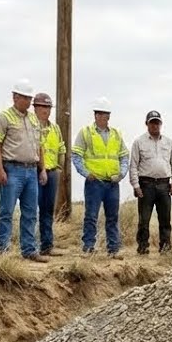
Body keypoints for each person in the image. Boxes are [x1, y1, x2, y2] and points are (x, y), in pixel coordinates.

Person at [0, 79, 44, 261]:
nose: (28, 102)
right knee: (7, 211)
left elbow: (39, 145)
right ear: (15, 97)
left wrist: (41, 169)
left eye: (30, 98)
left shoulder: (33, 119)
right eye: (25, 98)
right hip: (12, 169)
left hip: (31, 170)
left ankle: (29, 250)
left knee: (30, 212)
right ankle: (3, 250)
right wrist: (0, 169)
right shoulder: (3, 118)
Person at [72, 97, 128, 257]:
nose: (103, 117)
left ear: (109, 116)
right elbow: (76, 155)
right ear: (95, 115)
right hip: (94, 182)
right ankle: (88, 247)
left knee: (113, 217)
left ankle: (113, 249)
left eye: (105, 114)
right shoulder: (86, 133)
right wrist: (85, 173)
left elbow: (124, 156)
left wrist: (122, 174)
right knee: (91, 216)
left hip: (112, 183)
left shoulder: (116, 134)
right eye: (100, 113)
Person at [130, 110, 172, 254]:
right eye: (152, 122)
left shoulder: (169, 143)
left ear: (161, 124)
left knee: (165, 220)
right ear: (146, 124)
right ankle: (142, 247)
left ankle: (165, 247)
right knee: (144, 220)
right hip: (146, 185)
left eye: (157, 122)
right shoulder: (139, 142)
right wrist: (136, 185)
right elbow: (133, 165)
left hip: (164, 185)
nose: (155, 125)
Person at [33, 91, 66, 256]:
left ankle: (47, 246)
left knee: (47, 210)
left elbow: (61, 149)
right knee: (32, 209)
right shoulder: (32, 125)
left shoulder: (55, 128)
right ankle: (31, 247)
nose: (46, 110)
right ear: (35, 108)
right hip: (34, 171)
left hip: (52, 172)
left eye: (48, 107)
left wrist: (60, 167)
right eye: (42, 107)